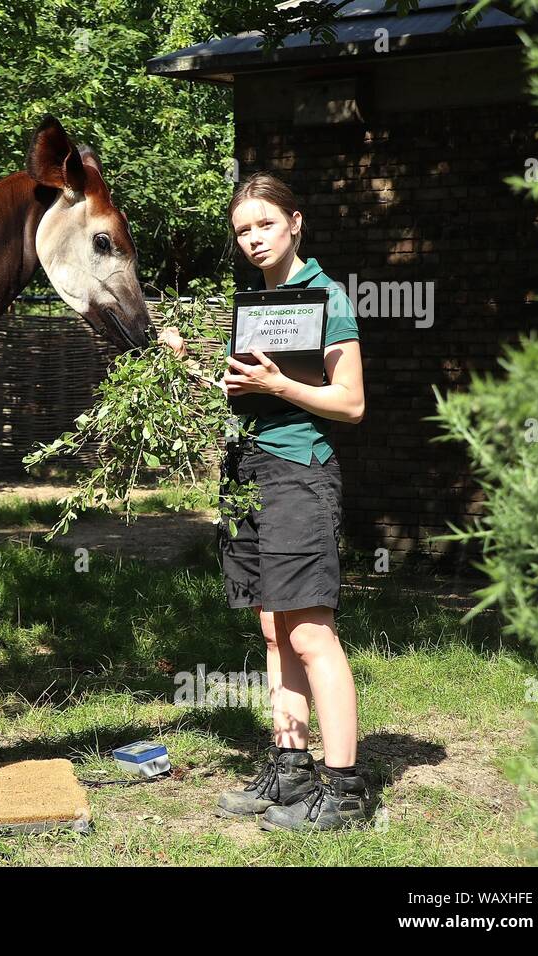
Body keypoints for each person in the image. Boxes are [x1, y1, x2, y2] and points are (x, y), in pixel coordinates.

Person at [157, 172, 373, 831]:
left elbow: (352, 404)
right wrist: (188, 363)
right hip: (248, 472)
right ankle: (290, 767)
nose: (253, 239)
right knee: (273, 630)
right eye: (242, 230)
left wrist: (281, 386)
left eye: (265, 225)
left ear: (295, 222)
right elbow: (239, 393)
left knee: (310, 633)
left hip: (300, 475)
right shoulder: (260, 305)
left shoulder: (325, 298)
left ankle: (345, 790)